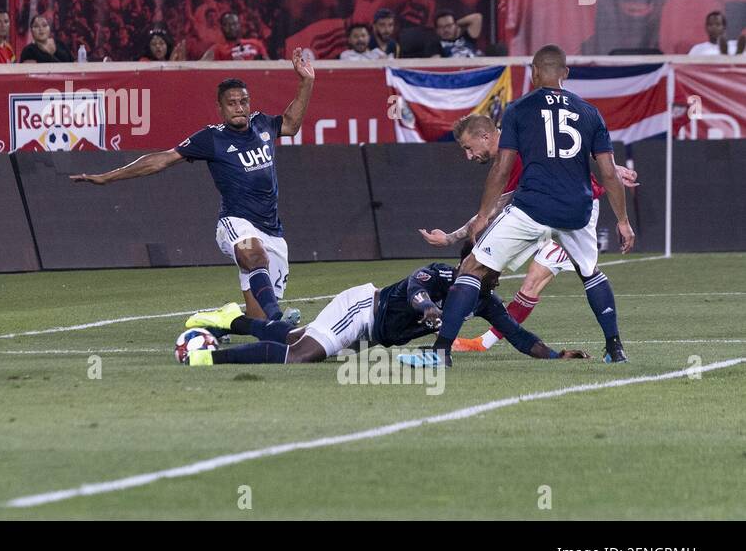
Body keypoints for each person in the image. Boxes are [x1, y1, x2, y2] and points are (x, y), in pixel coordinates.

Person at [419, 45, 635, 367]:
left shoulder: (518, 112)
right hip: (580, 208)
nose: (469, 155)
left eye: (468, 148)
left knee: (472, 267)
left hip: (535, 207)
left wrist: (475, 222)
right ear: (566, 73)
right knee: (589, 273)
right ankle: (615, 348)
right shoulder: (590, 112)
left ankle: (441, 351)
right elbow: (603, 169)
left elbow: (502, 171)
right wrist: (623, 220)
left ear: (533, 73)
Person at [71, 61, 316, 323]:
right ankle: (279, 318)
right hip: (237, 224)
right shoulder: (211, 138)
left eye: (243, 101)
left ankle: (221, 322)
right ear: (220, 108)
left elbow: (290, 124)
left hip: (272, 231)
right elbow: (162, 159)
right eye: (232, 103)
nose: (239, 107)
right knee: (256, 256)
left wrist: (307, 82)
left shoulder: (262, 124)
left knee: (260, 324)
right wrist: (108, 178)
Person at [180, 263, 589, 366]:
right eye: (481, 266)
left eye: (489, 271)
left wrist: (554, 356)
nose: (483, 275)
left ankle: (231, 319)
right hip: (362, 308)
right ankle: (205, 357)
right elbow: (415, 286)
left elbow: (517, 335)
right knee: (300, 357)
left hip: (374, 336)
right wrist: (429, 309)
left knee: (289, 338)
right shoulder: (445, 274)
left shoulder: (485, 301)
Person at [201, 11, 266, 60]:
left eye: (234, 24)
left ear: (239, 25)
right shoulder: (216, 49)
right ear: (222, 28)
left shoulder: (255, 43)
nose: (231, 27)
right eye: (227, 25)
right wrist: (231, 65)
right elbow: (199, 67)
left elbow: (270, 66)